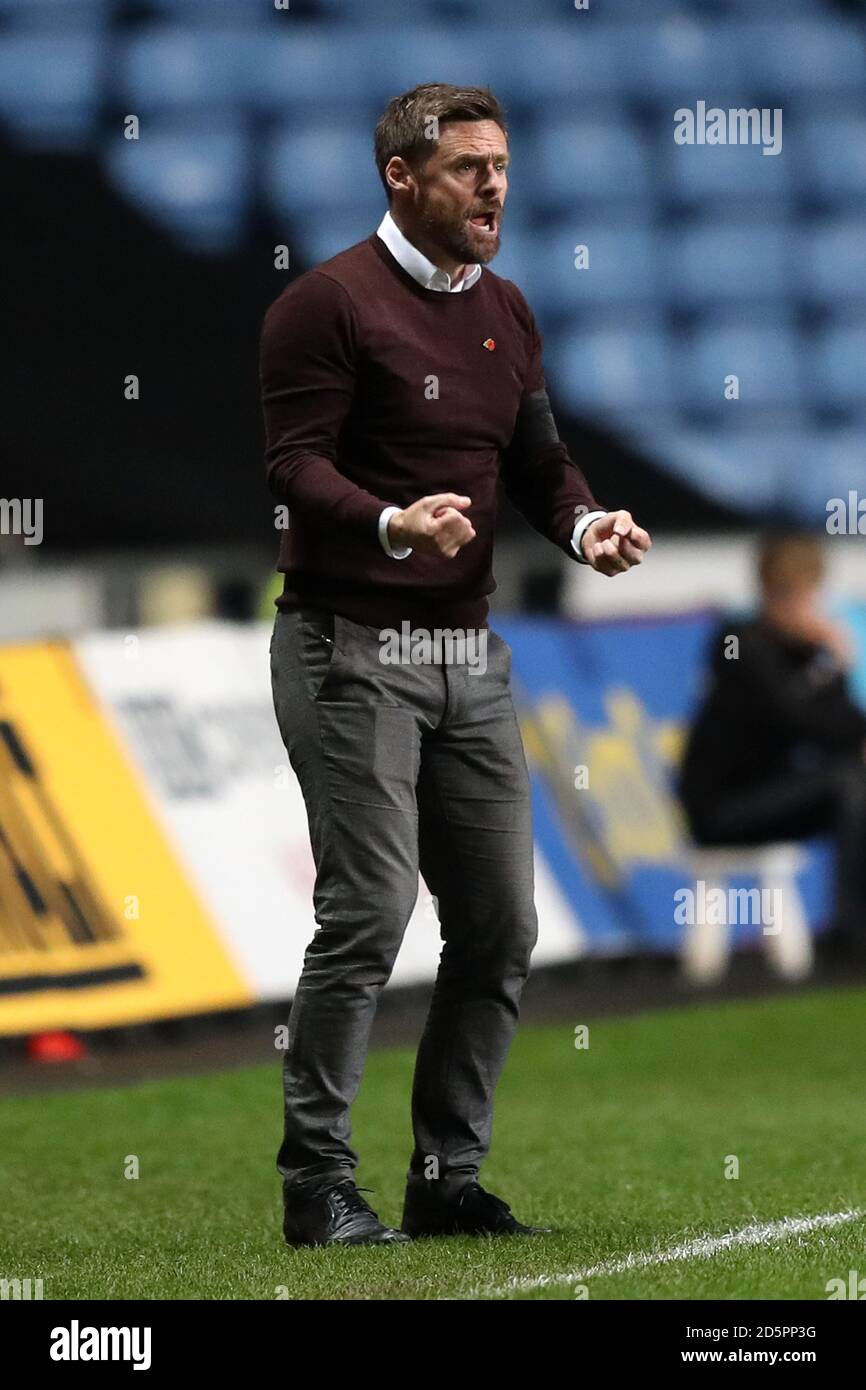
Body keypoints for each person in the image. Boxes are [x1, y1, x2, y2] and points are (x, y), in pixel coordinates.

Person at [260, 83, 651, 1247]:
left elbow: (538, 463)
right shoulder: (323, 305)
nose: (494, 187)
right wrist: (390, 522)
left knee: (498, 925)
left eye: (501, 165)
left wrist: (584, 527)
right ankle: (316, 1178)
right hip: (348, 646)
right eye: (468, 167)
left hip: (465, 653)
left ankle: (443, 1173)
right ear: (400, 176)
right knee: (370, 907)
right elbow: (292, 467)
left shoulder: (507, 311)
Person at [679, 533, 866, 954]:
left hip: (773, 794)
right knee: (847, 783)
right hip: (721, 807)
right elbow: (797, 718)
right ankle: (852, 939)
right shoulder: (736, 644)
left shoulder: (804, 651)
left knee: (854, 779)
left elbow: (844, 729)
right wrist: (832, 663)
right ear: (769, 591)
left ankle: (855, 928)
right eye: (793, 593)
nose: (806, 606)